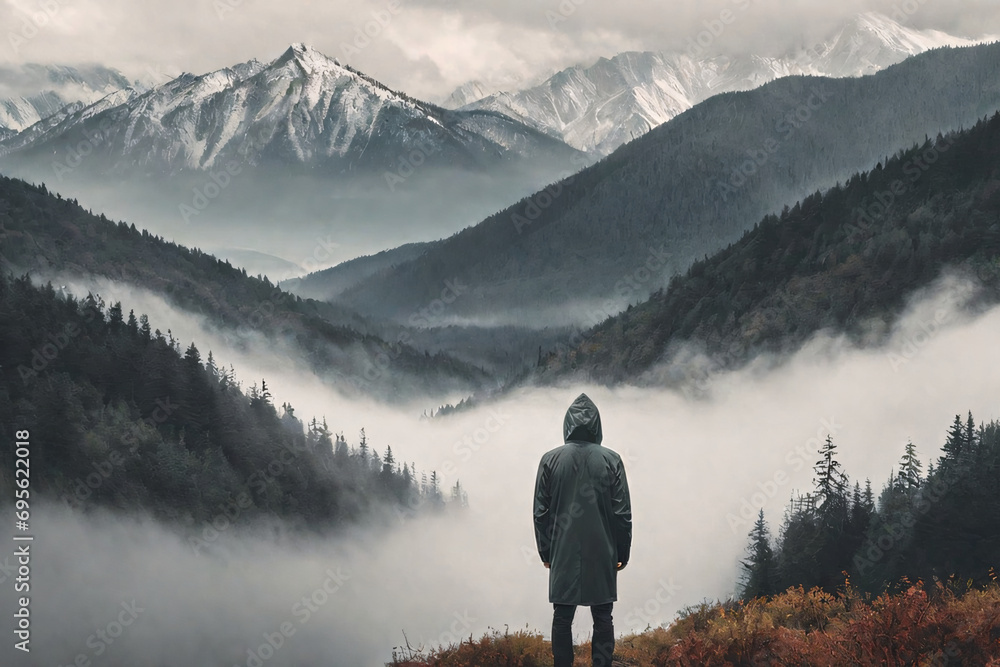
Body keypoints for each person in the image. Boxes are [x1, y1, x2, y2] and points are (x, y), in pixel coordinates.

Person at [533, 393, 632, 667]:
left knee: (562, 617)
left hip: (562, 550)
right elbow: (622, 513)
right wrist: (622, 552)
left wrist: (546, 552)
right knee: (603, 616)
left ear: (567, 424)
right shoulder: (612, 460)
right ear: (597, 425)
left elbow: (540, 513)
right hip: (603, 549)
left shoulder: (550, 460)